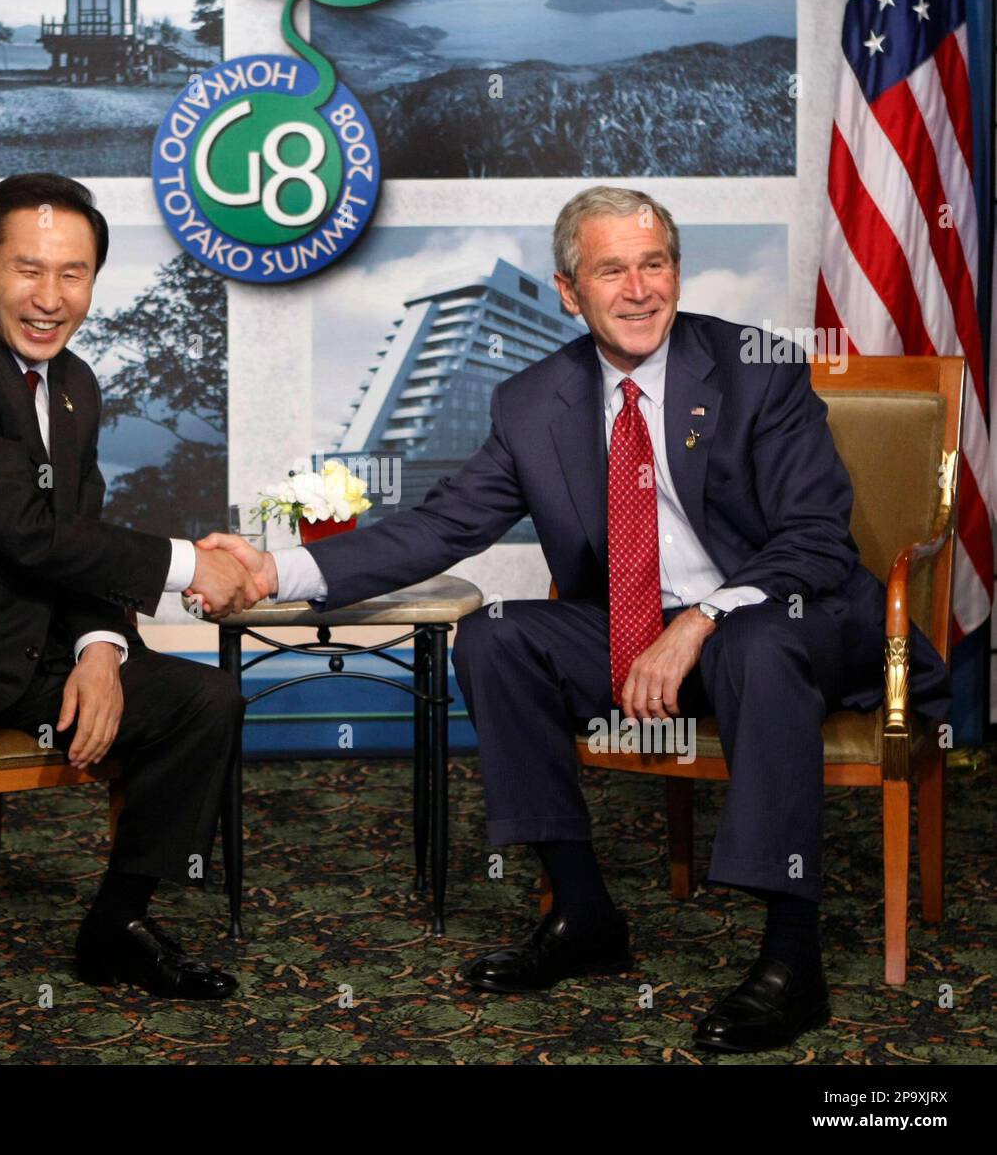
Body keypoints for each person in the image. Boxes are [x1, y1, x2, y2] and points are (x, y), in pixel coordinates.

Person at [197, 185, 950, 1054]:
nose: (639, 289)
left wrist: (701, 619)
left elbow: (814, 538)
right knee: (496, 636)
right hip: (640, 627)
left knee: (757, 641)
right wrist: (276, 569)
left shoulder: (757, 366)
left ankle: (791, 954)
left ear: (677, 271)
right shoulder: (533, 401)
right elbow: (443, 525)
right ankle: (584, 911)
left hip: (789, 616)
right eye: (611, 270)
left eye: (654, 264)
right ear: (569, 290)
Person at [0, 173, 271, 1042]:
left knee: (205, 701)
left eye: (74, 273)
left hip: (26, 644)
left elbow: (77, 533)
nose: (50, 297)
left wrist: (101, 647)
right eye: (27, 269)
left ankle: (118, 925)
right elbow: (29, 534)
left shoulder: (76, 383)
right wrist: (192, 564)